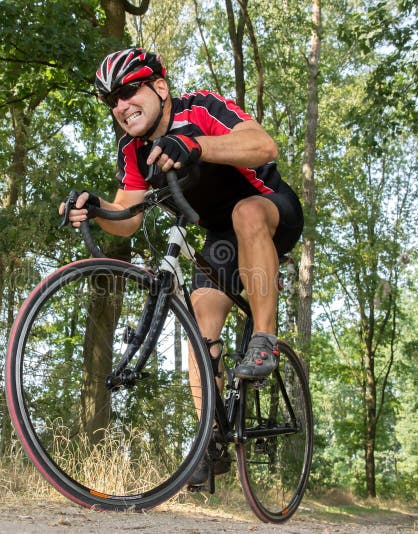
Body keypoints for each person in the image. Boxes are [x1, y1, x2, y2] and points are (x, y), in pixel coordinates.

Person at [60, 47, 304, 485]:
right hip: (222, 239)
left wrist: (195, 144)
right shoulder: (133, 149)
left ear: (160, 87)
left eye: (128, 91)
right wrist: (95, 207)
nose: (120, 105)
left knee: (246, 211)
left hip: (269, 210)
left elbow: (263, 146)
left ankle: (264, 340)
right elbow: (128, 217)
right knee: (200, 321)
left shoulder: (201, 108)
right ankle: (210, 439)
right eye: (112, 100)